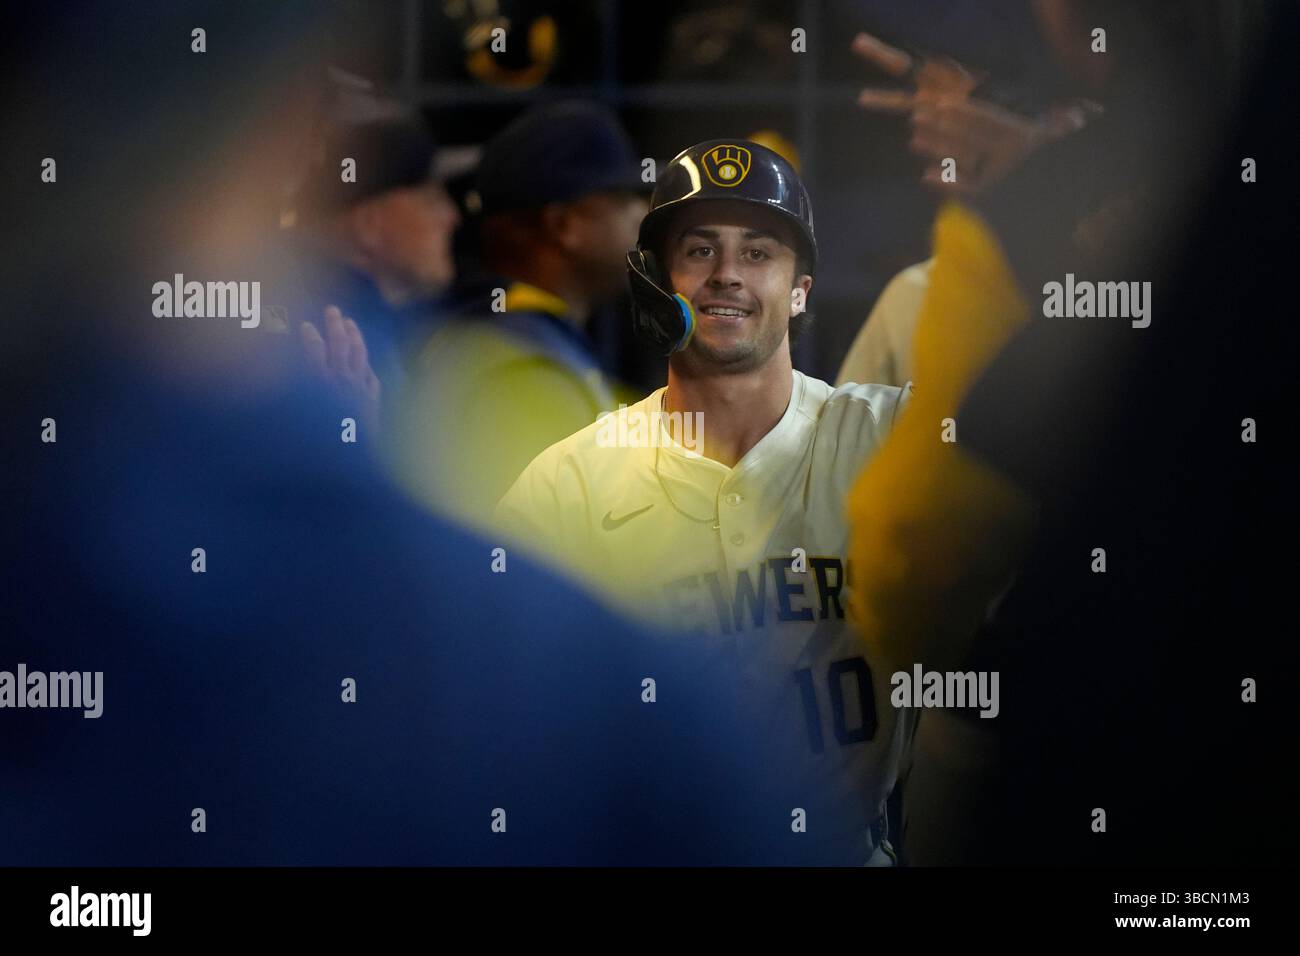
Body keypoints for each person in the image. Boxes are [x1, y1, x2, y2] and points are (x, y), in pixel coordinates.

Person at [497, 140, 913, 865]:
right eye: (699, 250)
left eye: (759, 253)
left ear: (802, 288)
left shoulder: (888, 437)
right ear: (655, 279)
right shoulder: (572, 481)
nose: (727, 275)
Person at [389, 101, 649, 523]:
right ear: (563, 225)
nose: (643, 215)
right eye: (626, 199)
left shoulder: (501, 328)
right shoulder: (522, 359)